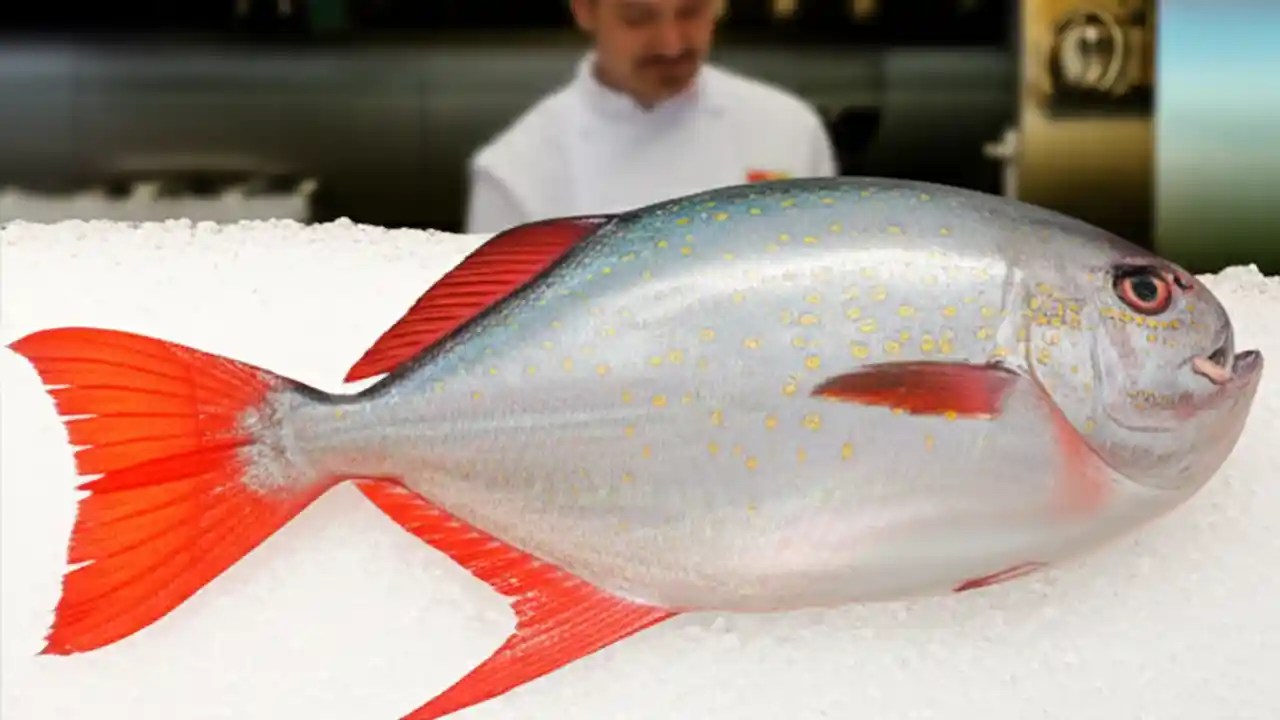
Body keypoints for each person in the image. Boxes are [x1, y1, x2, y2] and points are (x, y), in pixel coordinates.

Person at [463, 0, 839, 234]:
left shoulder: (790, 129)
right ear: (584, 9)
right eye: (638, 18)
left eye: (691, 11)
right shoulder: (514, 172)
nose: (671, 43)